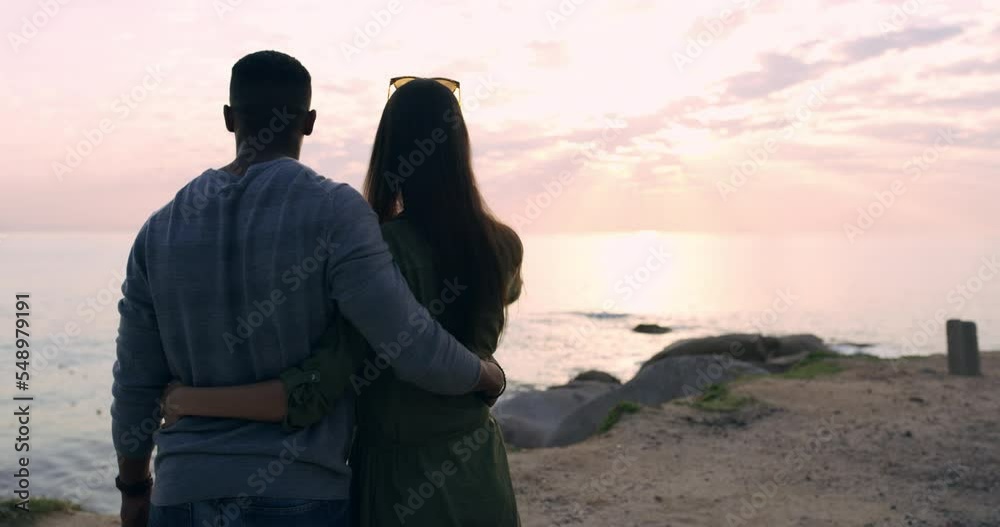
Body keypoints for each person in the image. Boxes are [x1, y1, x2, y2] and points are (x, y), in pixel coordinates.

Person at [110, 52, 505, 527]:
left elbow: (134, 381)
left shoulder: (158, 231)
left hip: (182, 492)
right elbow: (413, 345)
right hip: (299, 494)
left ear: (229, 119)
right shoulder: (337, 213)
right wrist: (486, 377)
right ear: (310, 122)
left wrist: (135, 487)